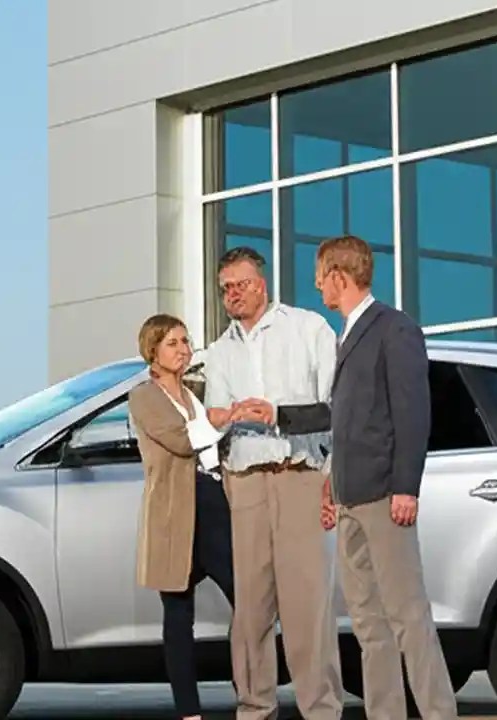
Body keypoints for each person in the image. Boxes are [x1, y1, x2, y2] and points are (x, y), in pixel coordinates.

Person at [314, 235, 459, 720]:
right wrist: (332, 485)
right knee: (367, 626)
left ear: (339, 275)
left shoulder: (394, 329)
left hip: (384, 496)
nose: (317, 287)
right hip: (351, 497)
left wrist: (406, 487)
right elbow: (350, 421)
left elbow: (412, 414)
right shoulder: (348, 335)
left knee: (408, 618)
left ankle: (439, 713)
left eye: (320, 277)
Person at [204, 246, 343, 720]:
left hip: (297, 476)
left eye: (239, 285)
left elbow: (337, 406)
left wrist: (331, 478)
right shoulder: (218, 352)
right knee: (250, 609)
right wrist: (219, 418)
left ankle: (321, 710)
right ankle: (254, 707)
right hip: (244, 483)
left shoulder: (308, 329)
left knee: (308, 607)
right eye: (224, 288)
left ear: (260, 285)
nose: (232, 295)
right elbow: (213, 420)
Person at [127, 313, 249, 720]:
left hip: (212, 501)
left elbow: (216, 444)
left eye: (185, 341)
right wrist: (219, 419)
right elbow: (180, 441)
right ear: (153, 351)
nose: (183, 349)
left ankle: (250, 697)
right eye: (173, 343)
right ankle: (189, 712)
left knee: (248, 602)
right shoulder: (144, 396)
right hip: (173, 511)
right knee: (178, 615)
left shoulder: (198, 391)